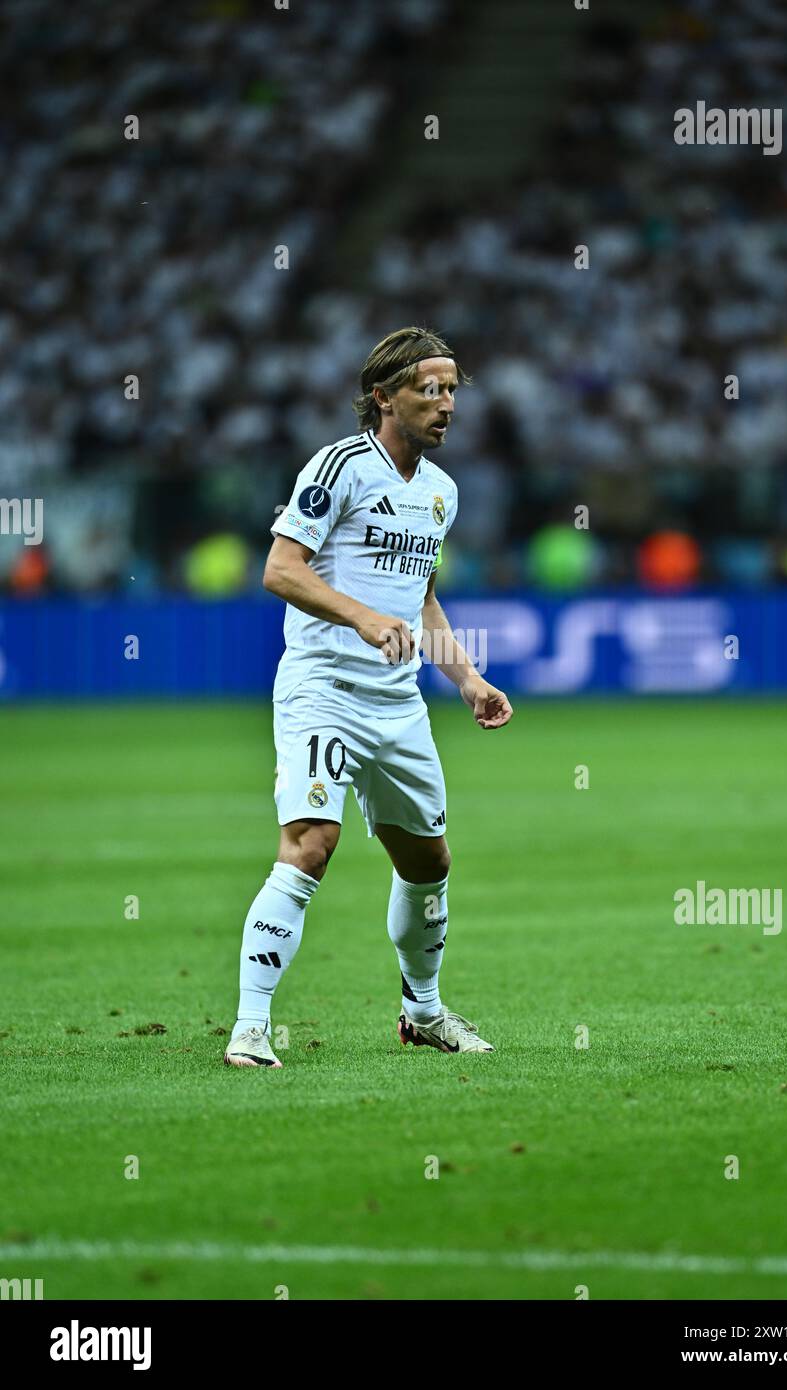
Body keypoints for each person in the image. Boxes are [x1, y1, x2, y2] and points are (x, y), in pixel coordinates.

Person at [224, 327, 513, 1067]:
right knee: (312, 844)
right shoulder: (341, 467)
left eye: (452, 390)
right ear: (384, 396)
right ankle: (250, 1027)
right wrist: (360, 617)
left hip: (397, 704)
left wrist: (468, 678)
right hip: (324, 689)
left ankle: (422, 1013)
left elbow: (422, 602)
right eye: (430, 389)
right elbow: (281, 570)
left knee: (429, 863)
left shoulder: (441, 493)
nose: (446, 404)